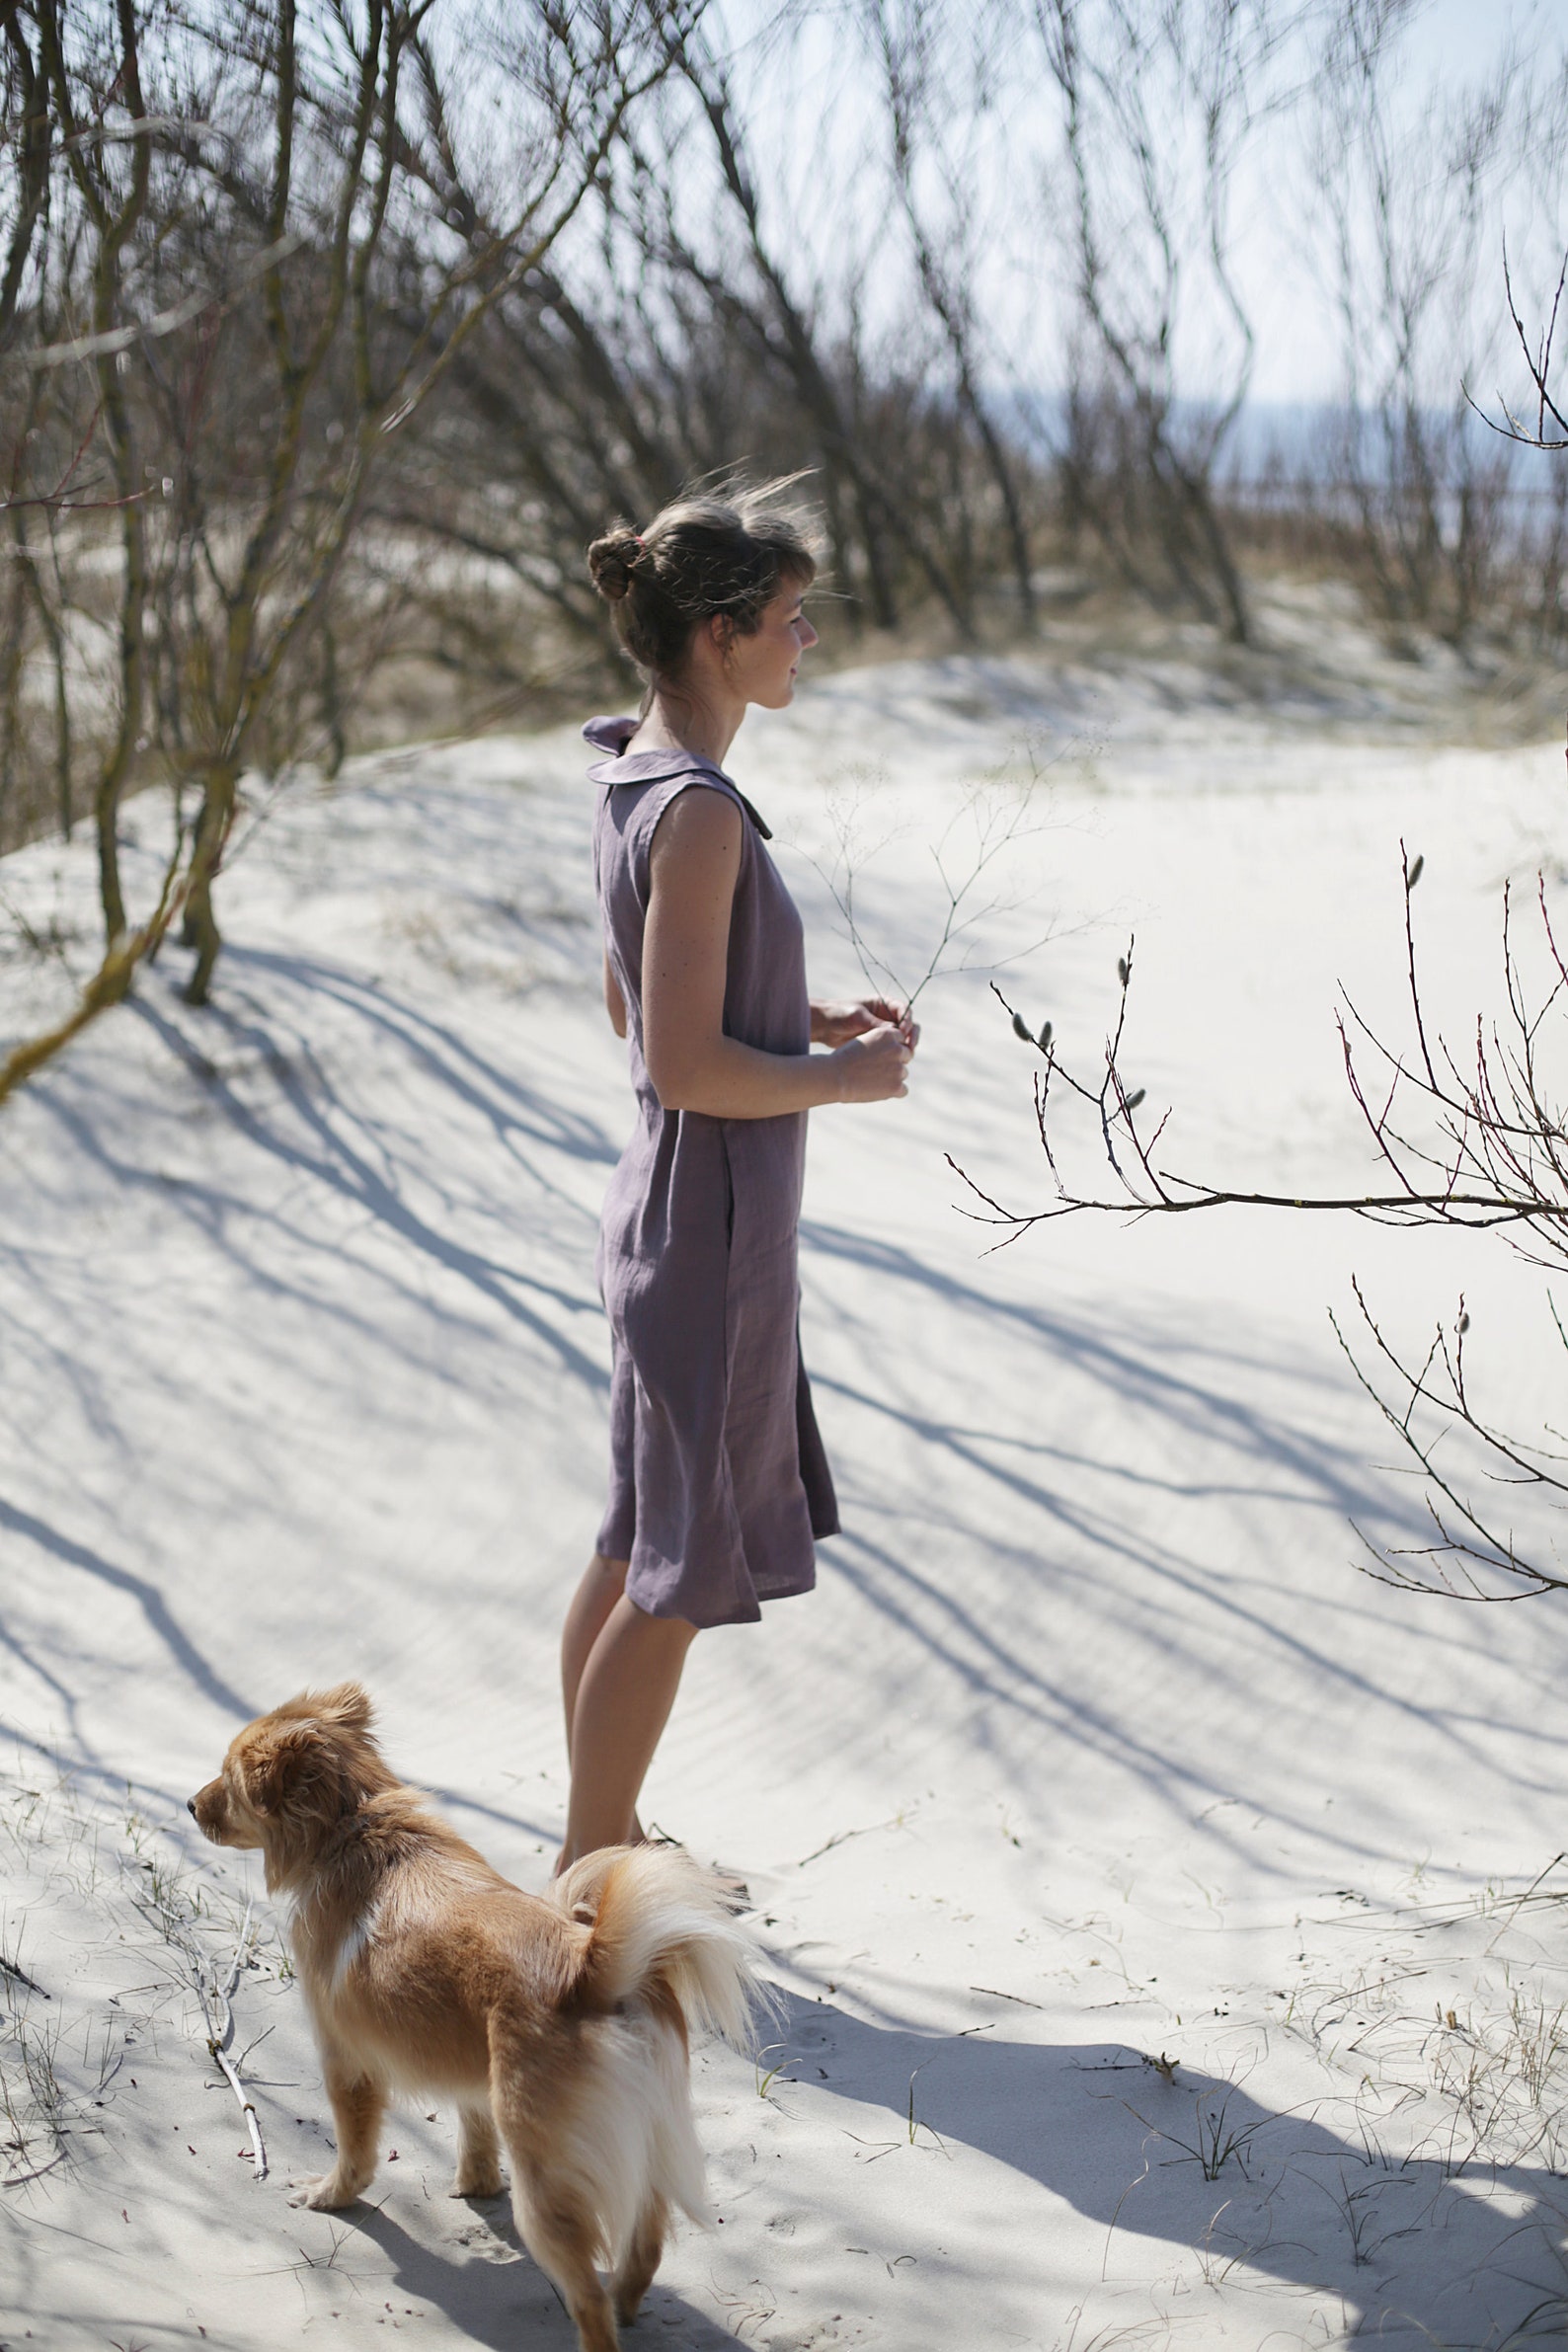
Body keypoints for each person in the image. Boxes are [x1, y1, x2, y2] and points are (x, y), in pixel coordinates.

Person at [556, 486, 917, 1871]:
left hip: (663, 1215)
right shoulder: (698, 811)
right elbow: (689, 1062)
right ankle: (590, 1902)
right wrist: (840, 1079)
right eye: (785, 618)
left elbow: (635, 1008)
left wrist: (795, 1014)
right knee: (675, 1576)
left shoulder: (632, 773)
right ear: (720, 636)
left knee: (637, 1543)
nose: (805, 637)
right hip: (702, 1237)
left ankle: (607, 1839)